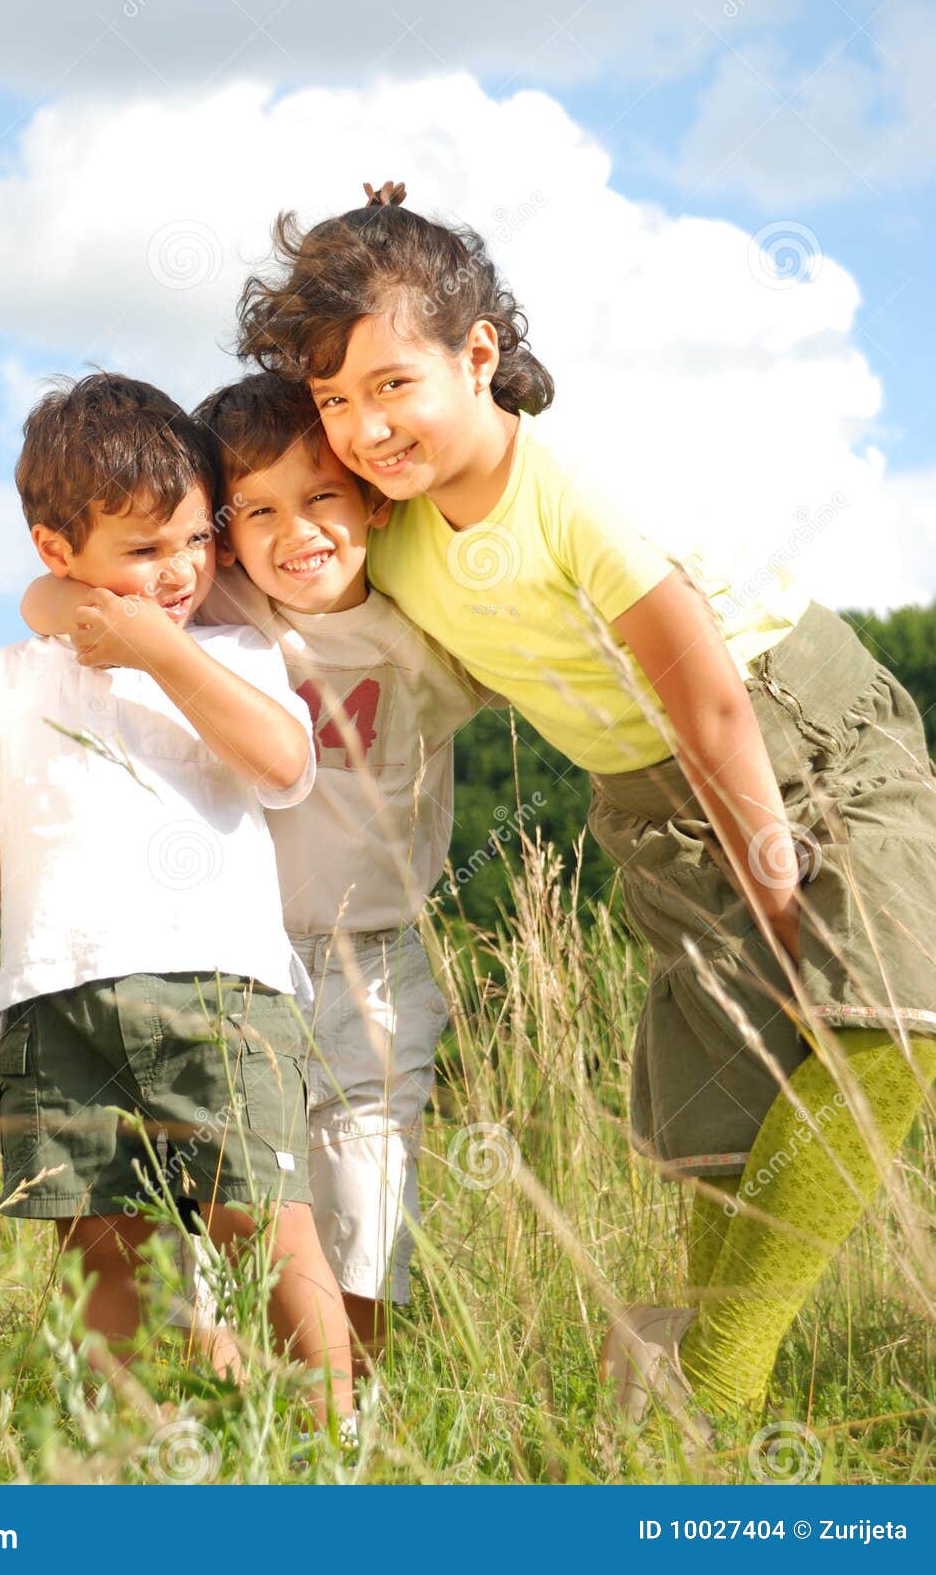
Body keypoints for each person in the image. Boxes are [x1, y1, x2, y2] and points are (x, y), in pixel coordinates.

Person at [231, 180, 936, 1429]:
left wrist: (771, 874)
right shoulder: (384, 532)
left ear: (478, 354)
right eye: (336, 401)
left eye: (392, 384)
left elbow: (710, 699)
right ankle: (670, 1379)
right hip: (649, 805)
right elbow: (257, 530)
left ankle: (708, 1379)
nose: (364, 428)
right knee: (741, 1107)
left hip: (790, 738)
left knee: (892, 1021)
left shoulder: (569, 488)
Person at [0, 372, 355, 1436]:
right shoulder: (12, 677)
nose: (181, 572)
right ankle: (140, 1456)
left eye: (196, 541)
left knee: (271, 1226)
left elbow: (284, 763)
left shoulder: (234, 650)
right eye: (142, 552)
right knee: (101, 1253)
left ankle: (340, 1442)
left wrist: (160, 647)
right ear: (57, 553)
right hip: (53, 1001)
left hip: (219, 992)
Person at [21, 369, 493, 1369]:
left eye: (321, 496)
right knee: (224, 1207)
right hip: (229, 966)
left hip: (371, 966)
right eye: (259, 511)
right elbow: (52, 594)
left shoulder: (423, 637)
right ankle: (233, 1400)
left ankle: (344, 1417)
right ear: (223, 535)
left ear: (369, 500)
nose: (297, 532)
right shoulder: (225, 609)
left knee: (363, 1204)